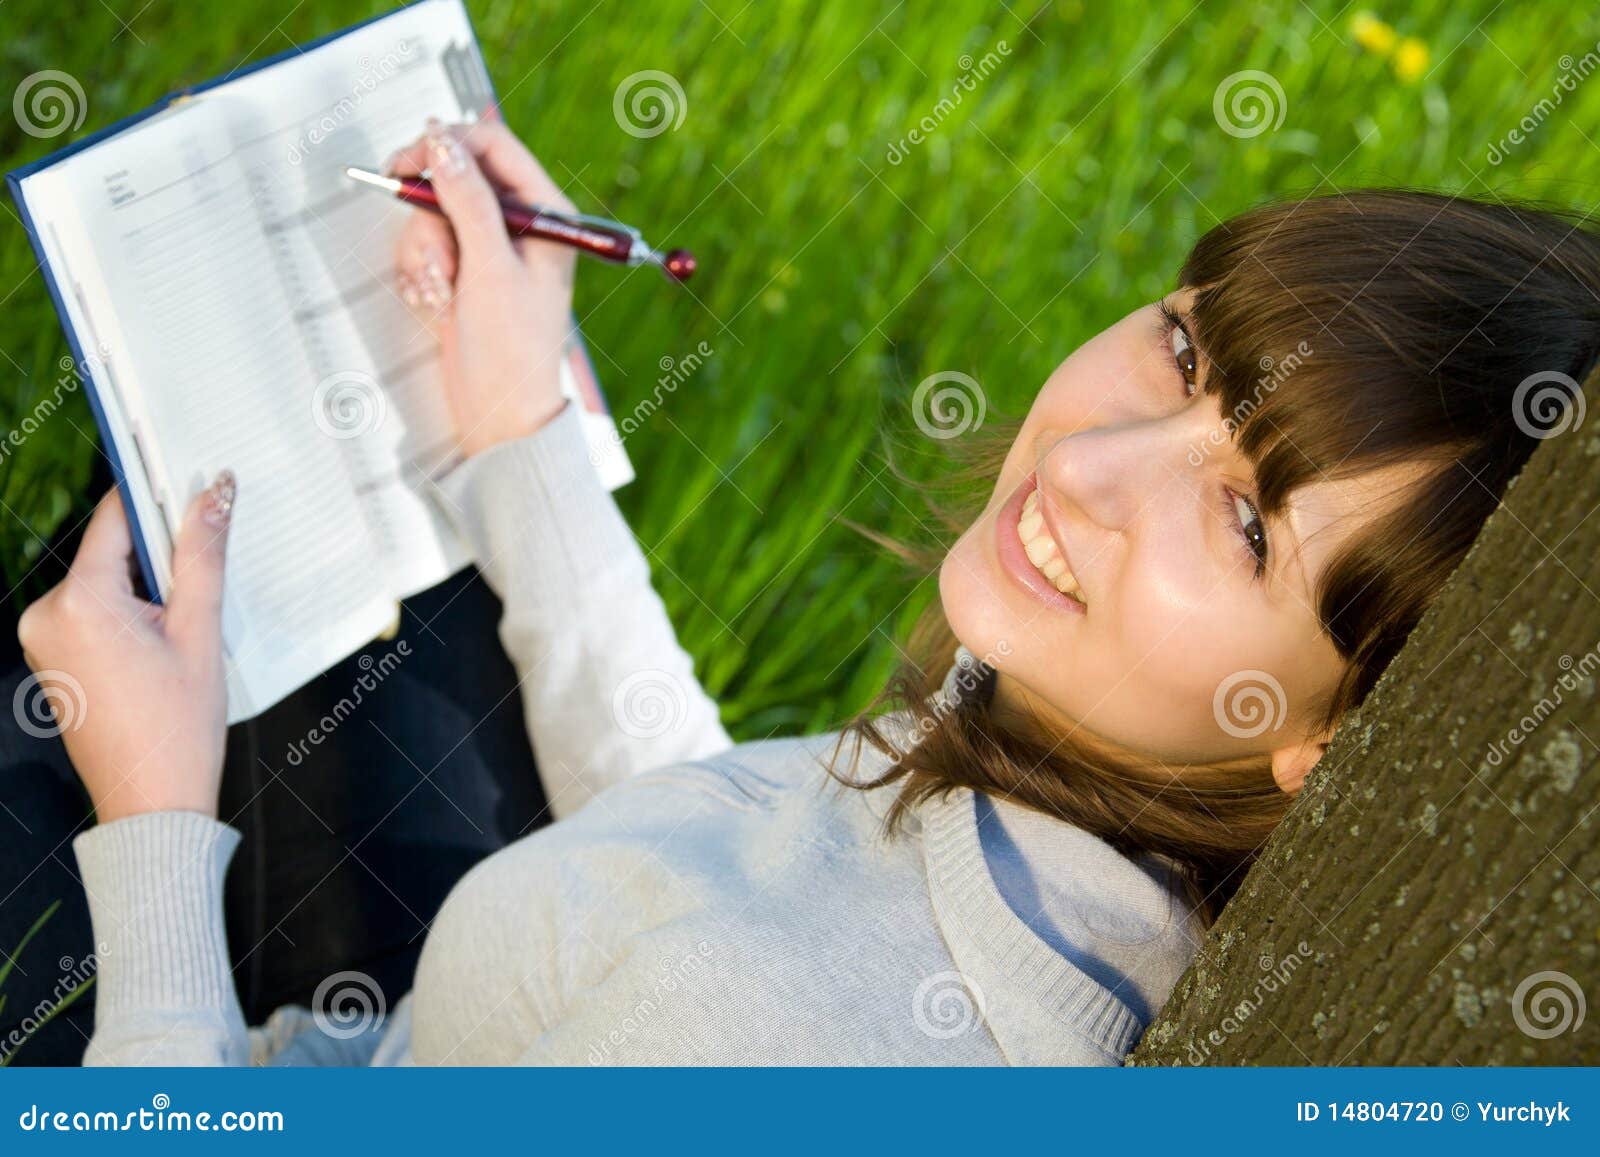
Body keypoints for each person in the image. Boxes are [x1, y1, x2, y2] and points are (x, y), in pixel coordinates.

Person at [16, 120, 1600, 1065]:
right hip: (434, 1015)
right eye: (1186, 350)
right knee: (298, 499)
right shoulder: (1086, 844)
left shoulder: (788, 1033)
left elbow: (736, 955)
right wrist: (524, 437)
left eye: (1249, 522)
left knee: (144, 568)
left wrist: (149, 831)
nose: (1096, 463)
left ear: (1345, 740)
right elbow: (718, 845)